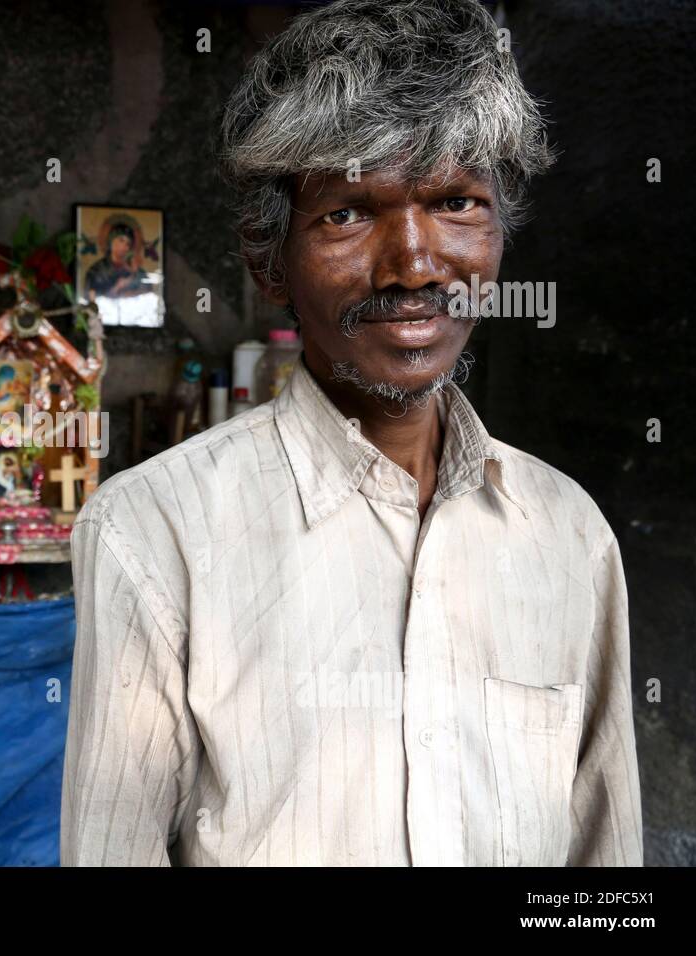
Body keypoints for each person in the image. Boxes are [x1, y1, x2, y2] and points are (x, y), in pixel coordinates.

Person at [61, 0, 642, 866]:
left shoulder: (571, 535)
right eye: (347, 213)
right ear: (269, 260)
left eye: (455, 202)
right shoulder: (154, 533)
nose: (414, 265)